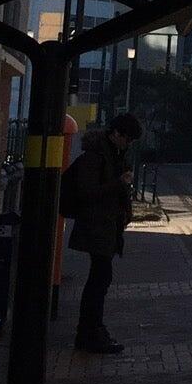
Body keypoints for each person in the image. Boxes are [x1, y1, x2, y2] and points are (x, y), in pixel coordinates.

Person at [63, 112, 141, 354]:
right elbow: (88, 191)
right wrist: (119, 183)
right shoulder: (95, 156)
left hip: (106, 227)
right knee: (99, 280)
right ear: (116, 133)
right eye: (127, 139)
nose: (128, 145)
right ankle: (89, 332)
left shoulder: (113, 154)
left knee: (101, 279)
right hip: (97, 226)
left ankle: (93, 329)